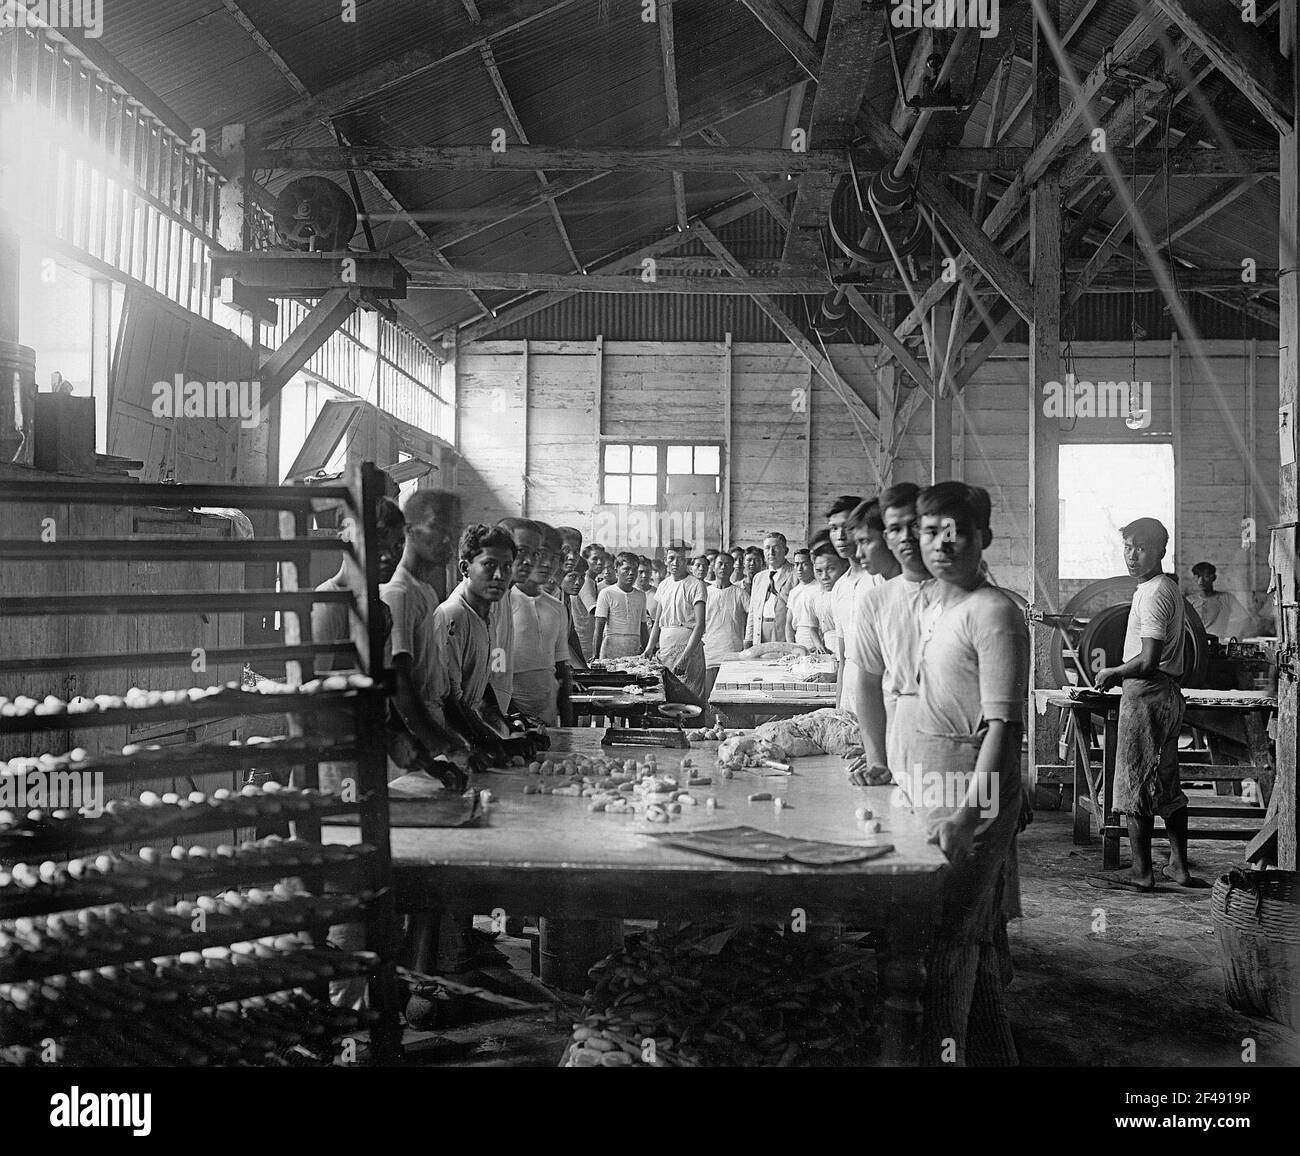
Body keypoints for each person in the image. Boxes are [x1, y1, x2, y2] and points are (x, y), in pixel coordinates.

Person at [911, 482, 1027, 1066]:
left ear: (984, 537)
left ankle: (942, 1058)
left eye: (957, 531)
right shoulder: (939, 603)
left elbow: (1003, 731)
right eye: (932, 531)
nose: (943, 543)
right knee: (964, 934)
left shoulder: (995, 611)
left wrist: (967, 815)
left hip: (971, 795)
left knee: (954, 941)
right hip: (937, 786)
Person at [1092, 519, 1205, 892]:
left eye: (1141, 547)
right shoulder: (1167, 587)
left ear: (1160, 550)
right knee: (1167, 783)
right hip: (1167, 693)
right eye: (1127, 547)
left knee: (1133, 783)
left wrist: (1112, 671)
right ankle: (1179, 867)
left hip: (1147, 695)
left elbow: (1148, 658)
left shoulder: (1153, 593)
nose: (1132, 555)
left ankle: (1141, 872)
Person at [846, 482, 932, 787]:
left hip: (961, 742)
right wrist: (878, 758)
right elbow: (869, 682)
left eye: (914, 527)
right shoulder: (877, 600)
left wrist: (1005, 776)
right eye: (896, 529)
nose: (859, 554)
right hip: (903, 739)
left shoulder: (964, 596)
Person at [832, 498, 898, 709]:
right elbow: (843, 658)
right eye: (834, 528)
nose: (841, 536)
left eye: (847, 528)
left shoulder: (881, 578)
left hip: (884, 683)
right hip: (851, 681)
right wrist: (838, 706)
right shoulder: (839, 586)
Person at [508, 522, 573, 727]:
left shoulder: (556, 607)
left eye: (554, 557)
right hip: (510, 713)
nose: (547, 564)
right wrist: (510, 713)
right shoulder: (502, 602)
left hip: (547, 709)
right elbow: (494, 667)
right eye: (541, 554)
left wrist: (569, 724)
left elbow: (561, 668)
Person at [644, 541, 708, 696]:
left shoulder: (696, 585)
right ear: (665, 560)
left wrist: (685, 657)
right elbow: (658, 622)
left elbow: (700, 625)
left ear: (687, 561)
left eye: (680, 559)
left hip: (688, 651)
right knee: (667, 698)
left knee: (689, 699)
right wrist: (650, 646)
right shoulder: (664, 585)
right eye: (671, 558)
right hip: (665, 650)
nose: (675, 563)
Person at [702, 551, 749, 699]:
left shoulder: (740, 593)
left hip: (732, 650)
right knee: (709, 695)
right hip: (709, 651)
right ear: (713, 567)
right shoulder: (705, 592)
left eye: (727, 564)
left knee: (729, 695)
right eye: (720, 564)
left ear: (732, 569)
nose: (723, 567)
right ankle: (710, 723)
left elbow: (753, 617)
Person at [593, 551, 649, 659]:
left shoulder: (641, 595)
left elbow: (643, 627)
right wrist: (595, 656)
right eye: (626, 569)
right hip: (611, 647)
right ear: (616, 571)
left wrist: (648, 652)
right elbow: (598, 629)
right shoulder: (606, 593)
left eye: (634, 569)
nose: (631, 573)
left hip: (634, 647)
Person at [746, 531, 796, 645]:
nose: (771, 552)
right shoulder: (759, 578)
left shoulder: (795, 574)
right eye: (767, 548)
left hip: (784, 632)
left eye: (776, 547)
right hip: (761, 632)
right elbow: (753, 612)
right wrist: (748, 639)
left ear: (786, 551)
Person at [1188, 561, 1256, 640]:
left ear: (1213, 577)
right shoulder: (1189, 601)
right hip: (1197, 645)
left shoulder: (1226, 598)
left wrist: (1236, 639)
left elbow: (1246, 620)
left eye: (1206, 576)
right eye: (1197, 577)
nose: (1201, 581)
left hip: (1219, 644)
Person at [806, 541, 847, 654]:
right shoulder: (814, 596)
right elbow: (812, 628)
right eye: (819, 571)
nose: (824, 577)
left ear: (844, 566)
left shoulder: (847, 594)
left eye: (831, 569)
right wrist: (819, 645)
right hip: (827, 649)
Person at [784, 547, 818, 649]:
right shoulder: (793, 592)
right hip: (799, 643)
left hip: (817, 644)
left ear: (813, 565)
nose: (799, 568)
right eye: (796, 564)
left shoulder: (820, 589)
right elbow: (789, 624)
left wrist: (819, 645)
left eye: (804, 564)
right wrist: (792, 646)